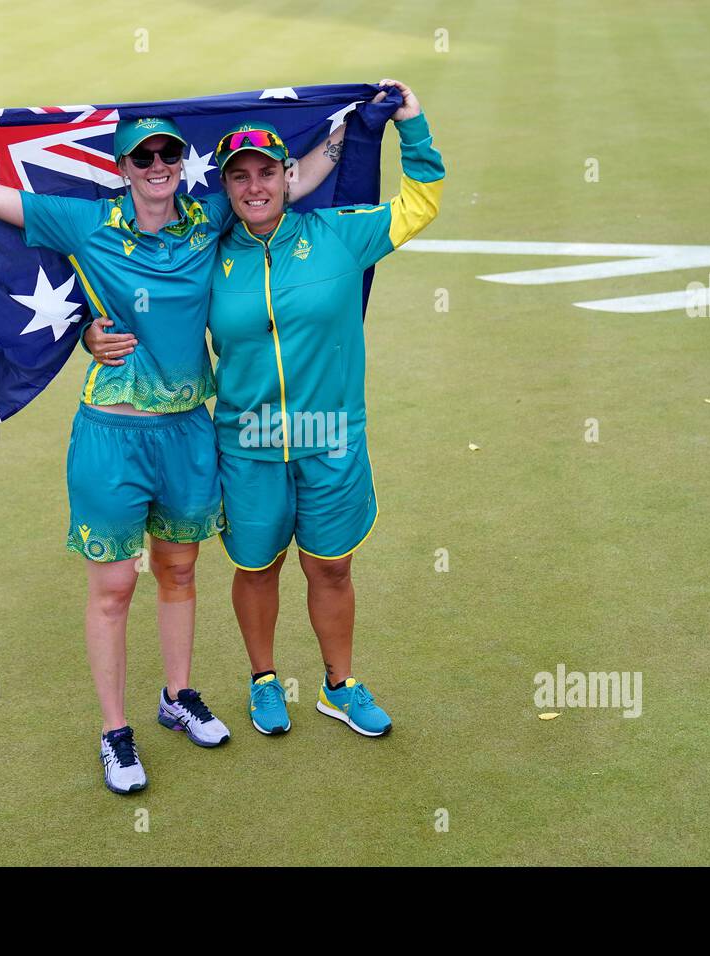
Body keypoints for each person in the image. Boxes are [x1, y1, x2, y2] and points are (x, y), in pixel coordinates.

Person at [0, 110, 346, 793]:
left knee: (180, 572)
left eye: (167, 155)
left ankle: (178, 696)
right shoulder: (85, 223)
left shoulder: (209, 220)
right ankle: (114, 732)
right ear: (123, 168)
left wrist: (350, 122)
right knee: (113, 589)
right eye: (143, 158)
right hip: (110, 436)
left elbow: (296, 179)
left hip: (190, 431)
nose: (158, 166)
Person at [207, 79, 443, 737]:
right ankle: (262, 682)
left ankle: (339, 686)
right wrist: (92, 333)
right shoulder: (206, 255)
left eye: (266, 172)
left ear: (290, 177)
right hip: (247, 441)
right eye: (239, 176)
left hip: (332, 436)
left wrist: (412, 127)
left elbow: (421, 203)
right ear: (225, 188)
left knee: (331, 565)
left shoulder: (340, 235)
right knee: (257, 567)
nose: (254, 187)